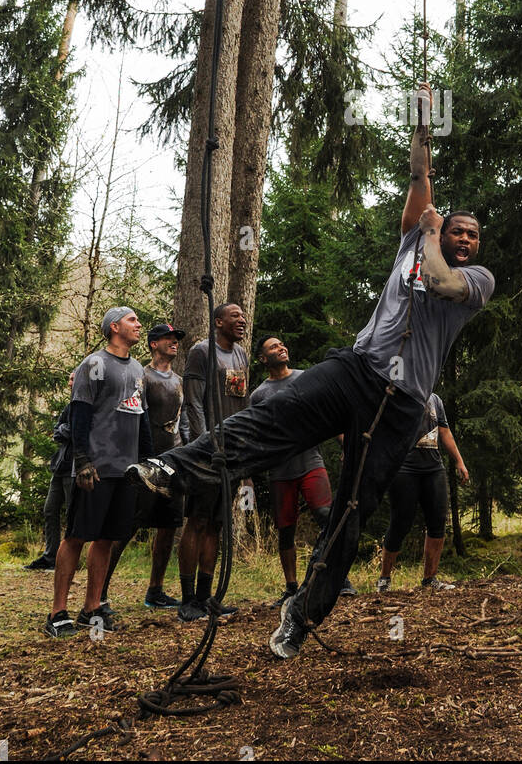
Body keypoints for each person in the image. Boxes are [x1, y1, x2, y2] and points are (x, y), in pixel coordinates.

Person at [131, 82, 494, 660]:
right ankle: (172, 470)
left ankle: (302, 614)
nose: (467, 240)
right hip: (356, 371)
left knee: (351, 508)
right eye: (459, 231)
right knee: (273, 416)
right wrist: (423, 127)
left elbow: (441, 280)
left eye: (473, 236)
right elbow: (418, 180)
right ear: (442, 228)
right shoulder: (411, 240)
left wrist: (432, 235)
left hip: (401, 405)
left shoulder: (475, 281)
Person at [44, 308, 151, 638]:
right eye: (132, 320)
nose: (138, 325)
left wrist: (148, 463)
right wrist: (83, 460)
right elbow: (79, 415)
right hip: (96, 468)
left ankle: (91, 608)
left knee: (105, 538)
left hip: (125, 470)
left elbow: (141, 418)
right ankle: (57, 612)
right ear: (114, 327)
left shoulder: (136, 368)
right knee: (76, 536)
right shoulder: (94, 364)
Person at [250, 334, 355, 607]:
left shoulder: (305, 377)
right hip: (280, 470)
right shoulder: (259, 394)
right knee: (286, 529)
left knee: (326, 516)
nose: (281, 348)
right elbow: (258, 433)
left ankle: (339, 577)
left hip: (311, 461)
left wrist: (347, 444)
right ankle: (291, 587)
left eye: (282, 344)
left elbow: (327, 414)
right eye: (274, 347)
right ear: (263, 359)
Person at [99, 323, 189, 611]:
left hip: (173, 461)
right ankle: (99, 592)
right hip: (144, 462)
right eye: (168, 339)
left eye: (176, 339)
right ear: (153, 344)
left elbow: (182, 419)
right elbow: (131, 413)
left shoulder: (178, 380)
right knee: (126, 527)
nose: (174, 342)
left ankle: (155, 591)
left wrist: (186, 451)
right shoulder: (143, 375)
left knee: (168, 527)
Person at [176, 303, 250, 622]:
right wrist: (204, 446)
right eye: (235, 316)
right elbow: (193, 403)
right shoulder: (201, 351)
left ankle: (206, 598)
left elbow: (244, 403)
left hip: (232, 454)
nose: (242, 320)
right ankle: (188, 599)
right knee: (198, 520)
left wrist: (244, 446)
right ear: (218, 321)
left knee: (217, 524)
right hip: (207, 452)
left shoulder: (242, 356)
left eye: (243, 316)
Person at [377, 392, 468, 593]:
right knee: (400, 522)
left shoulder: (435, 399)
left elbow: (445, 432)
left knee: (437, 521)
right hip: (403, 469)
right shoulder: (396, 394)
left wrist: (459, 461)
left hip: (433, 468)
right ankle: (384, 579)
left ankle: (429, 579)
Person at [25, 375, 75, 570]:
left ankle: (69, 559)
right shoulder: (69, 407)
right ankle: (50, 557)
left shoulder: (89, 405)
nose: (69, 382)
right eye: (69, 379)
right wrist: (65, 430)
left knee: (73, 514)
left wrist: (66, 430)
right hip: (60, 466)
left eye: (73, 379)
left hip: (75, 468)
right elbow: (57, 432)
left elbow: (80, 432)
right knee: (50, 509)